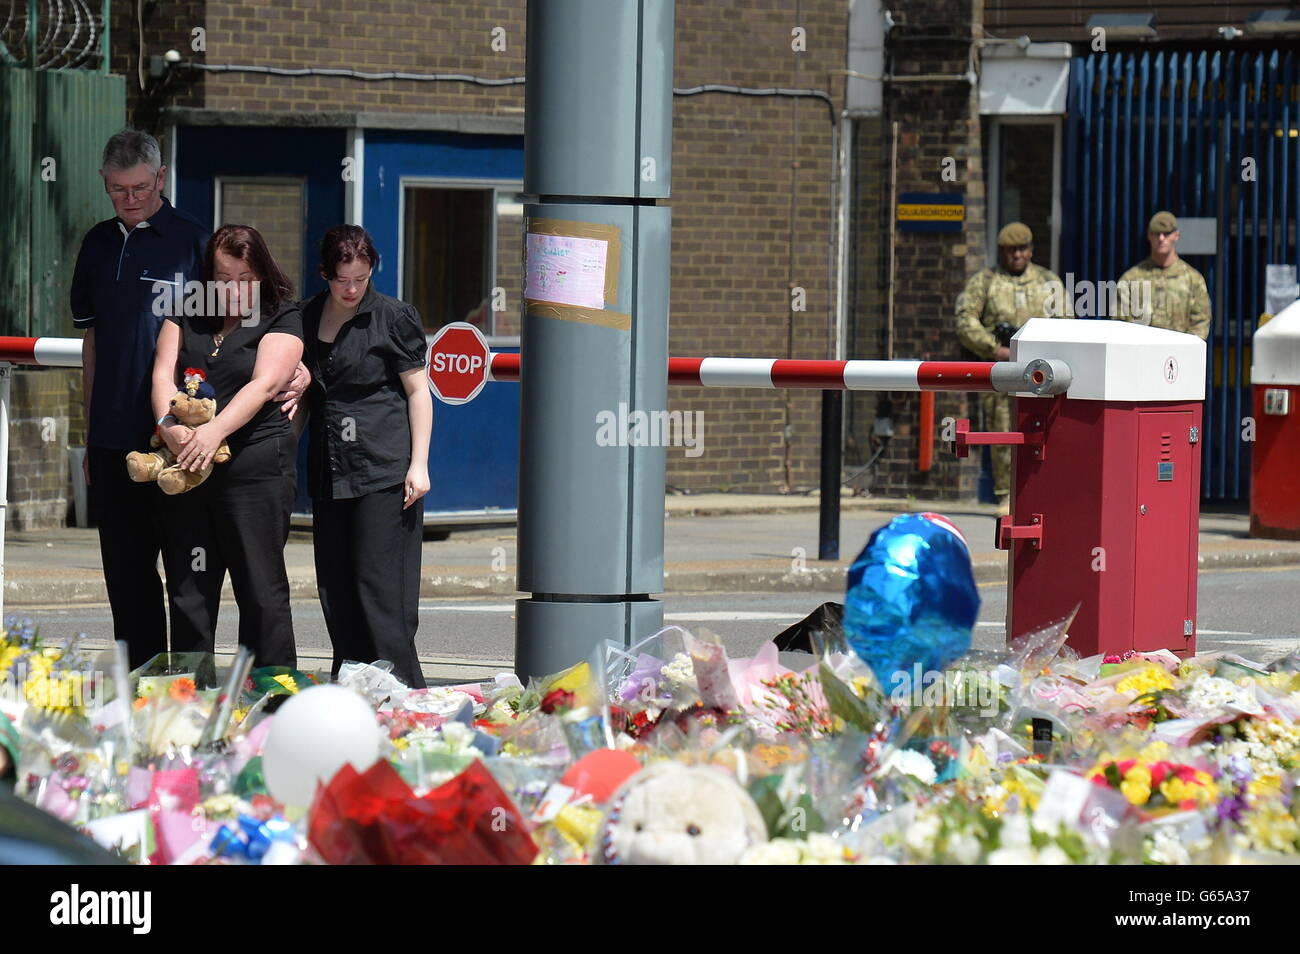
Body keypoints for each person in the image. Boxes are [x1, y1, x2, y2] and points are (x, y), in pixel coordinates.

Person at [71, 129, 209, 668]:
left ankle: (196, 694)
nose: (130, 199)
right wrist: (89, 433)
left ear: (162, 178)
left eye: (141, 188)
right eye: (118, 189)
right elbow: (92, 345)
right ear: (105, 183)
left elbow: (230, 336)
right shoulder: (97, 245)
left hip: (178, 439)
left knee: (188, 577)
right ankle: (144, 692)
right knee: (127, 580)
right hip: (111, 438)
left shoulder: (197, 243)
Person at [151, 225, 304, 667]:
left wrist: (211, 432)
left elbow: (266, 384)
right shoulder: (186, 310)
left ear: (261, 275)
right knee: (188, 586)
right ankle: (190, 696)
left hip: (255, 467)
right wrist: (168, 427)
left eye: (245, 278)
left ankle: (272, 699)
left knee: (260, 588)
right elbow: (163, 375)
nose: (234, 289)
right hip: (188, 468)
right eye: (223, 277)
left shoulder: (281, 314)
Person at [299, 225, 432, 687]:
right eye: (343, 279)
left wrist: (419, 464)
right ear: (324, 275)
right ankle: (352, 687)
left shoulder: (393, 317)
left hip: (382, 466)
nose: (353, 288)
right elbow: (303, 394)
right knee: (336, 587)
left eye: (361, 277)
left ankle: (404, 694)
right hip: (328, 468)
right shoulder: (307, 314)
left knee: (380, 589)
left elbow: (418, 391)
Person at [955, 222, 1070, 509]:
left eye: (1021, 249)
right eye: (1010, 250)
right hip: (1003, 372)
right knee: (1003, 432)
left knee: (1043, 431)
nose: (1016, 255)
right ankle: (1006, 496)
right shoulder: (986, 281)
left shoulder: (1048, 282)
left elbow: (1067, 321)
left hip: (1041, 374)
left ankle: (1040, 493)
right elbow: (965, 319)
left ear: (1030, 251)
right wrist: (994, 348)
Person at [1115, 211, 1211, 340]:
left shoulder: (1193, 279)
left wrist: (1184, 350)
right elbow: (1120, 323)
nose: (1161, 239)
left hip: (1178, 356)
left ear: (1176, 235)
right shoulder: (1131, 279)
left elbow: (1200, 323)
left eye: (1166, 234)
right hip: (1141, 354)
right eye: (1156, 233)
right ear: (1149, 235)